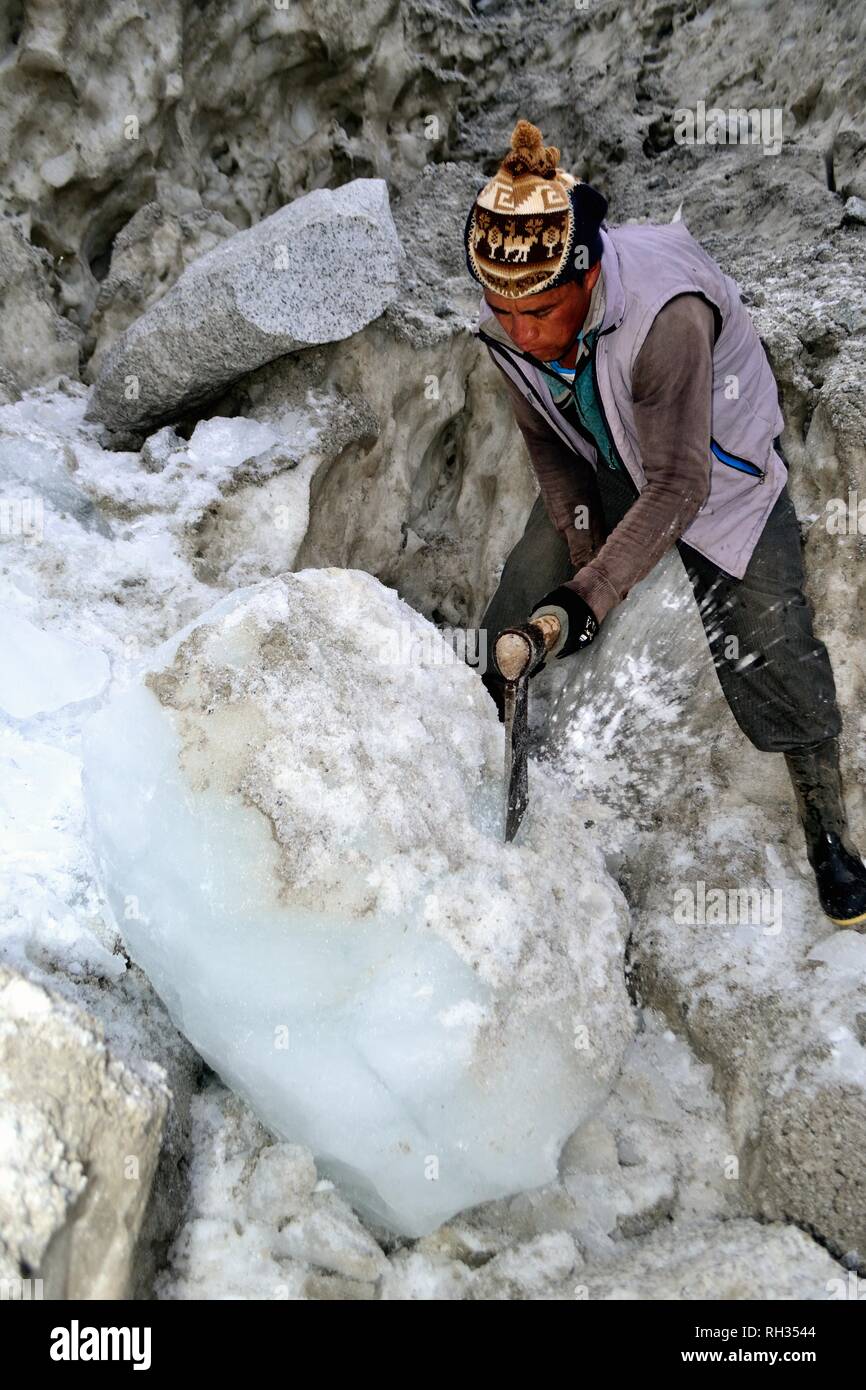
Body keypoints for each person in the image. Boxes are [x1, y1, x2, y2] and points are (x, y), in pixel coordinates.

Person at [464, 119, 866, 929]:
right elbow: (549, 440)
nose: (523, 334)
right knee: (511, 611)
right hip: (612, 448)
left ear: (588, 272)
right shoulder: (514, 311)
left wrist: (592, 595)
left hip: (716, 470)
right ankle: (489, 807)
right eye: (505, 317)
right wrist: (579, 560)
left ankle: (830, 835)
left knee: (770, 647)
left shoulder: (664, 317)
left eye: (540, 314)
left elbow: (680, 486)